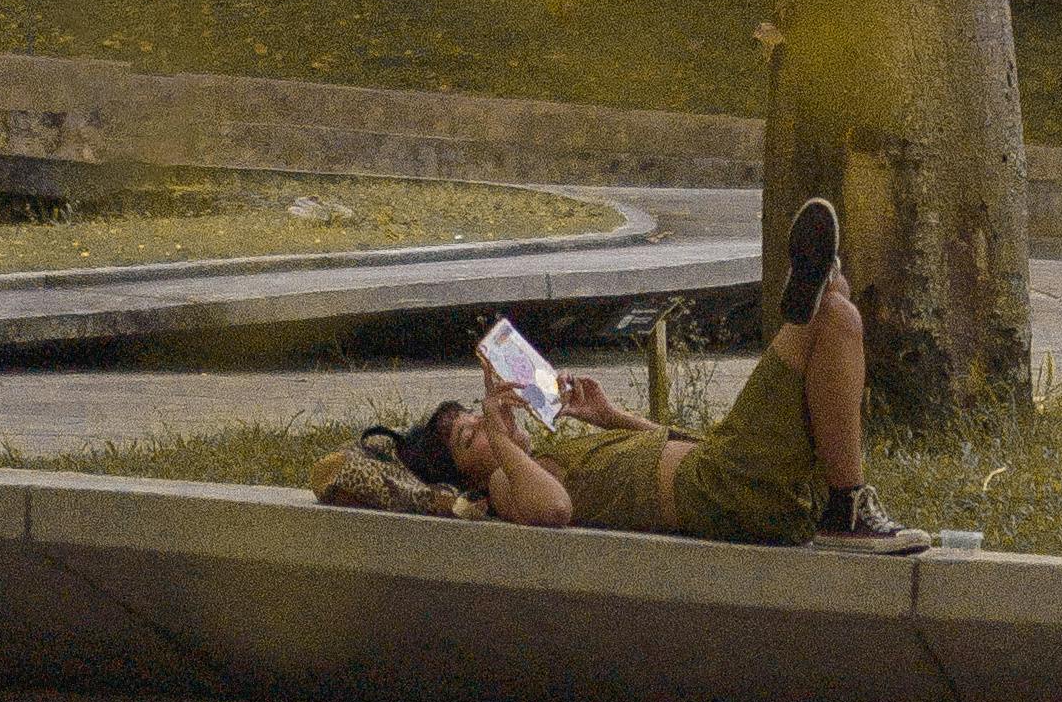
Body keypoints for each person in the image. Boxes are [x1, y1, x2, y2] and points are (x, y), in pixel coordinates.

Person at [326, 198, 928, 548]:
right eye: (469, 437)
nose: (485, 429)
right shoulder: (506, 490)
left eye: (477, 423)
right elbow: (555, 511)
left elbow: (665, 449)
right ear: (465, 475)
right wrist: (506, 446)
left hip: (730, 467)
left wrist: (611, 418)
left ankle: (843, 501)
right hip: (729, 488)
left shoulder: (560, 453)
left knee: (839, 308)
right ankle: (845, 507)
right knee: (830, 311)